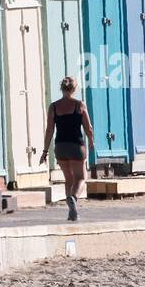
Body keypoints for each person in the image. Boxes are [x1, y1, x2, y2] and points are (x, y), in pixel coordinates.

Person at [40, 76, 94, 222]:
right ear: (74, 89)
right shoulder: (79, 105)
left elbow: (49, 130)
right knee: (81, 177)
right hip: (76, 145)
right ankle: (73, 198)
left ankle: (72, 212)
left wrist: (45, 151)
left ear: (61, 88)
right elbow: (88, 127)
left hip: (60, 147)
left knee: (69, 179)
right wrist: (91, 141)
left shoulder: (54, 107)